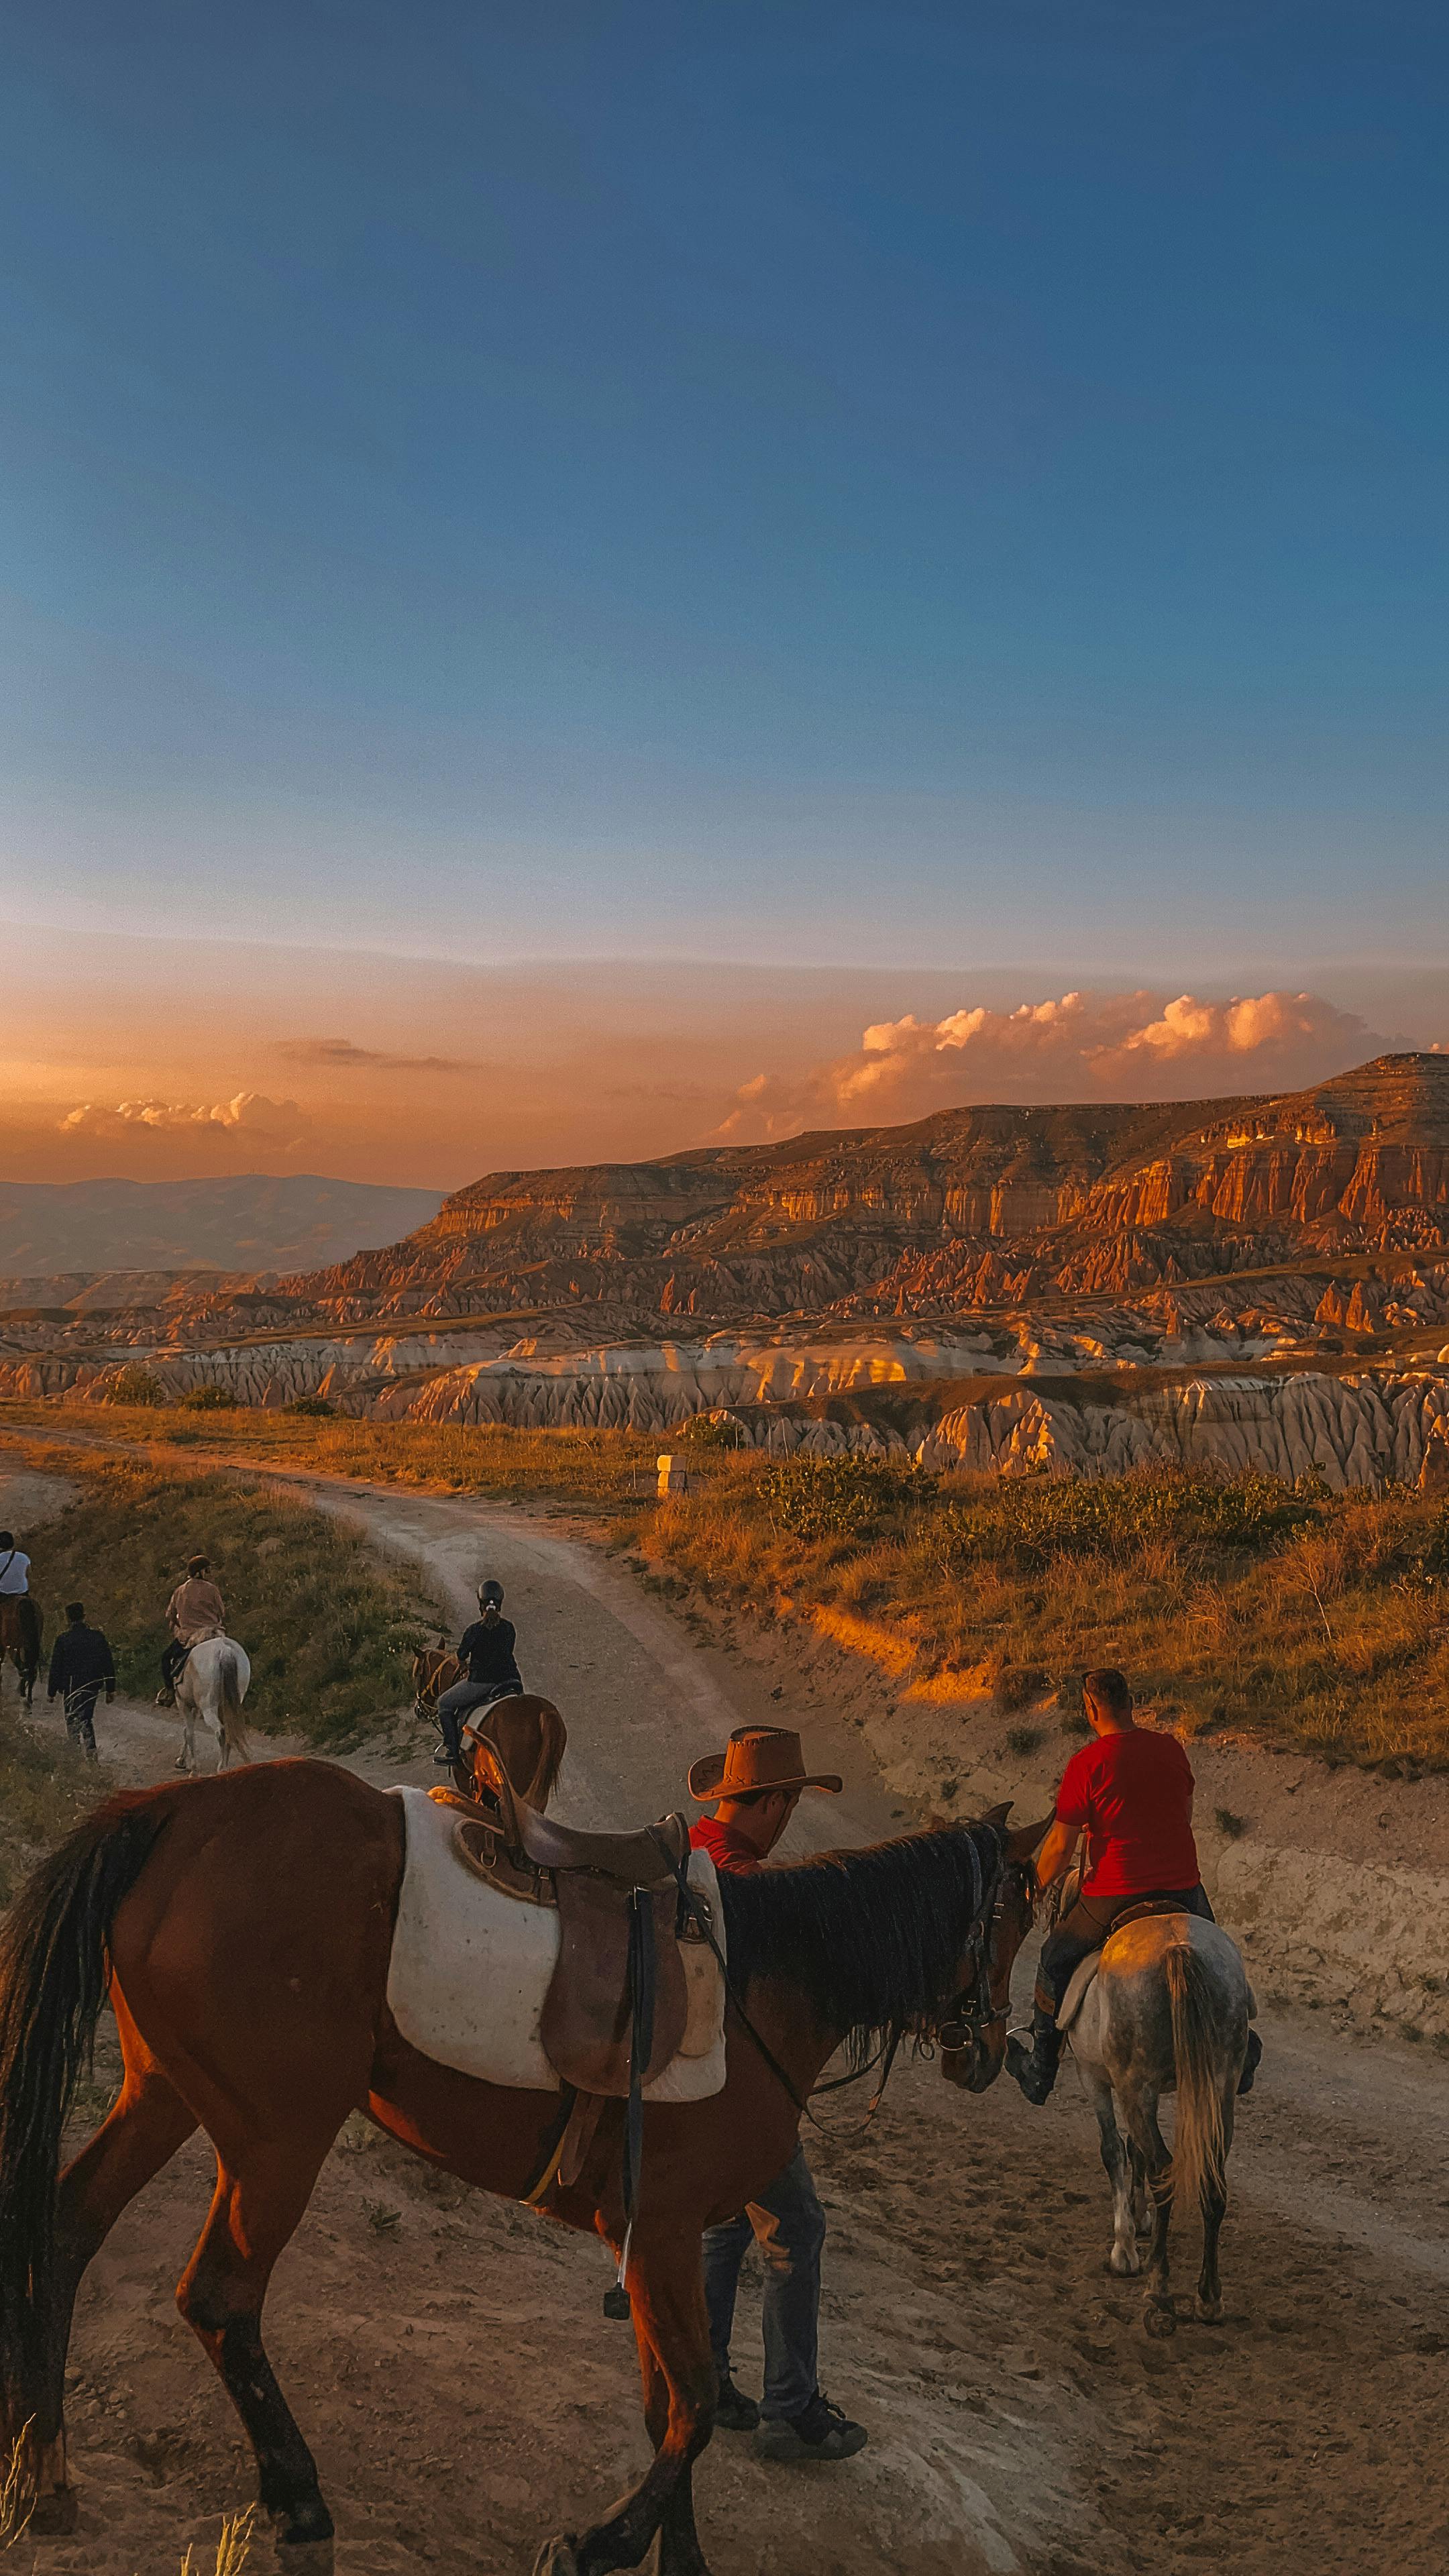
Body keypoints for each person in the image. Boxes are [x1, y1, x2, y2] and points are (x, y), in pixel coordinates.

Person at [689, 1723, 868, 2466]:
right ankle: (790, 2409)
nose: (790, 1817)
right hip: (736, 2092)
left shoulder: (694, 1846)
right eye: (789, 1803)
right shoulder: (742, 1879)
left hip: (697, 2084)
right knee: (796, 2226)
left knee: (727, 2226)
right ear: (768, 1803)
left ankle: (705, 2381)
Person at [1006, 1668, 1262, 2105]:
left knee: (1053, 1959)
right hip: (1182, 1887)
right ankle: (1244, 2046)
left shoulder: (1086, 1765)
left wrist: (1035, 1885)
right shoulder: (1171, 1749)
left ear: (1091, 1709)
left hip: (1114, 1893)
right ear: (1131, 1703)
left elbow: (1061, 1849)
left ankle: (1040, 2069)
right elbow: (1183, 1815)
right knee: (1220, 1958)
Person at [435, 1579, 523, 1766]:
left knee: (444, 1703)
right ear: (500, 1603)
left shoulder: (474, 1630)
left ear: (480, 1604)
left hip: (482, 1682)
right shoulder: (509, 1628)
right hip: (511, 1680)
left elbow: (461, 1656)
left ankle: (452, 1750)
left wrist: (464, 1665)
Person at [47, 1601, 115, 1760]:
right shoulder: (97, 1637)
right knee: (86, 1717)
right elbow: (108, 1663)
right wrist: (111, 1688)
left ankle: (75, 1755)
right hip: (92, 1685)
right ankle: (91, 1753)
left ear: (68, 1619)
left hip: (71, 1686)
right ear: (84, 1616)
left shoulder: (63, 1640)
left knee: (71, 1719)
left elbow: (56, 1667)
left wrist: (51, 1691)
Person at [158, 1552, 227, 1705]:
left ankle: (169, 1691)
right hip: (213, 1634)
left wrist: (181, 1625)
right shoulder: (212, 1589)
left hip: (189, 1637)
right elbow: (222, 1612)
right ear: (201, 1571)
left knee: (165, 1658)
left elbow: (170, 1615)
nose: (208, 1573)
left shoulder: (180, 1591)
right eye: (207, 1570)